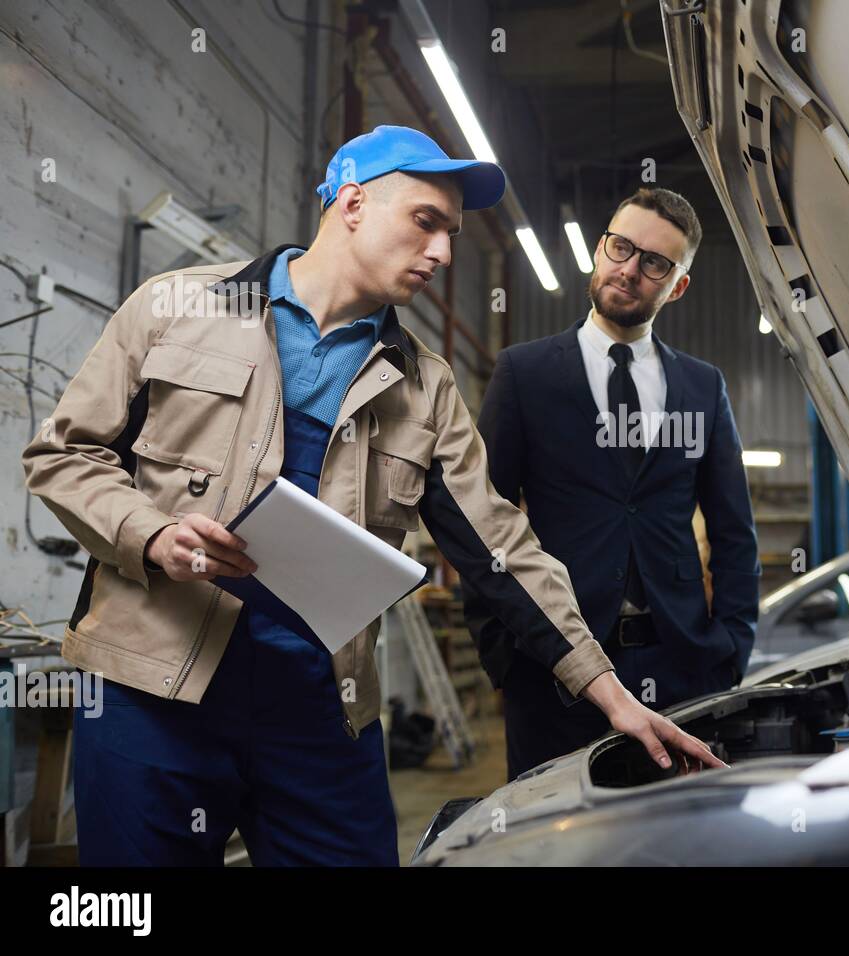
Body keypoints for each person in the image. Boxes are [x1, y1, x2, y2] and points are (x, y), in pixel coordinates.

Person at [22, 127, 721, 867]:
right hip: (150, 695)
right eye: (427, 223)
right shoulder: (179, 305)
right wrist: (152, 535)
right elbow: (63, 455)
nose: (445, 253)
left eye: (452, 234)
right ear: (353, 202)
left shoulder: (426, 388)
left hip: (322, 711)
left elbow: (502, 550)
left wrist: (610, 694)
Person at [467, 187, 760, 780]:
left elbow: (734, 532)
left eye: (654, 262)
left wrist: (730, 648)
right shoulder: (524, 374)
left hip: (683, 666)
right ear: (599, 249)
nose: (630, 269)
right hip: (555, 668)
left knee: (674, 836)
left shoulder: (703, 389)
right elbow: (482, 522)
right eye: (620, 247)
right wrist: (504, 654)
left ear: (676, 285)